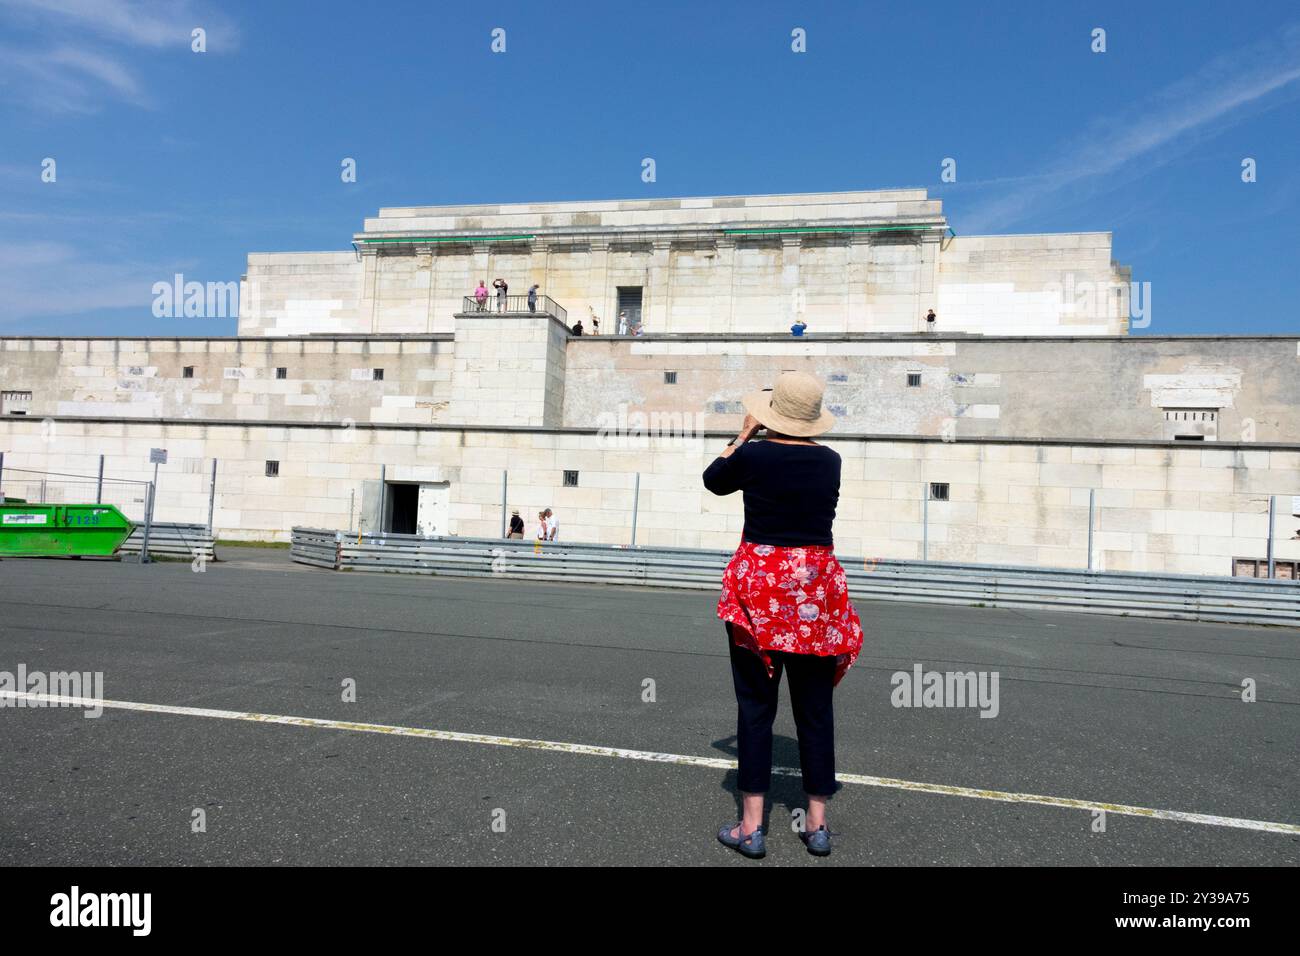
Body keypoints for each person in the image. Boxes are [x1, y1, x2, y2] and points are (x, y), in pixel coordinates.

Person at [702, 371, 863, 860]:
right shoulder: (830, 461)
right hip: (816, 592)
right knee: (814, 710)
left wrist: (745, 433)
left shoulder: (753, 455)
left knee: (756, 707)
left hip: (761, 592)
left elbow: (714, 481)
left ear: (772, 414)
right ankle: (816, 824)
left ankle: (752, 826)